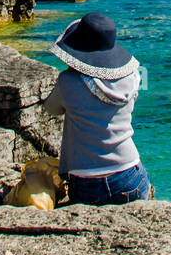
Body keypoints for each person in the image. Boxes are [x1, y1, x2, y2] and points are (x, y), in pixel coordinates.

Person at [41, 12, 153, 206]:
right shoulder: (134, 76)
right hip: (130, 174)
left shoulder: (68, 81)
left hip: (86, 182)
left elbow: (51, 109)